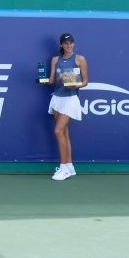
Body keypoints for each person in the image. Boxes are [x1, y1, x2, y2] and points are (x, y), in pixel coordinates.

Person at [45, 32, 88, 180]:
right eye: (66, 43)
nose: (69, 45)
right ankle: (70, 166)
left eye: (71, 43)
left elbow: (85, 82)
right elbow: (52, 81)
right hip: (57, 98)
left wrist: (75, 84)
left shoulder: (80, 59)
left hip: (71, 99)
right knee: (64, 133)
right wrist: (42, 80)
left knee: (58, 131)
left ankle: (63, 168)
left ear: (74, 44)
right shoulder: (55, 60)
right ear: (61, 45)